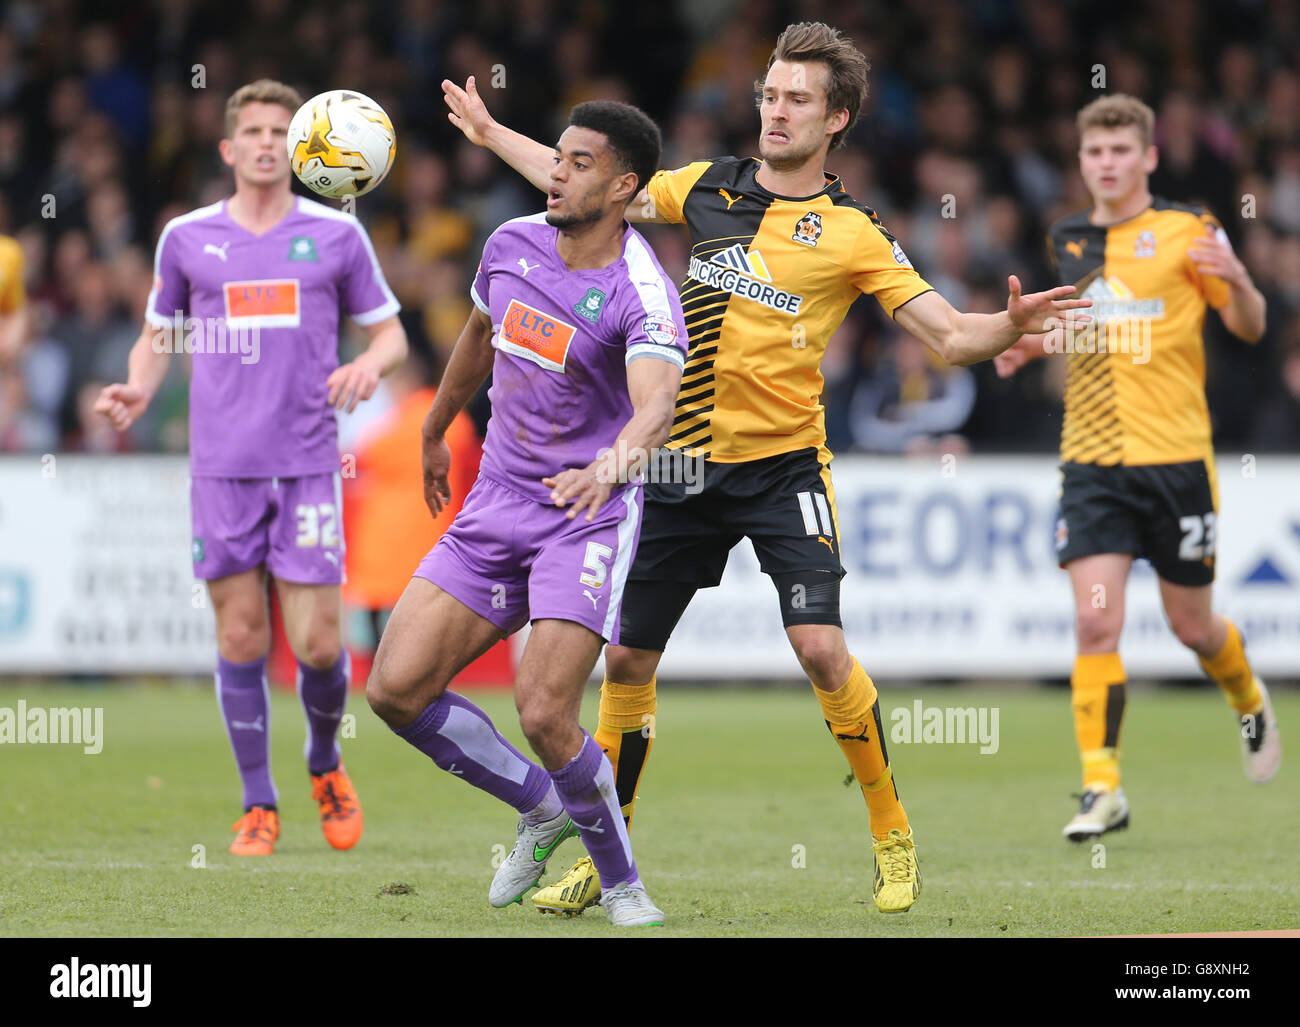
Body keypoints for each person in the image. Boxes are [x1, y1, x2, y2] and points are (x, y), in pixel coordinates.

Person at [443, 20, 1089, 914]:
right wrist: (492, 136)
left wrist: (1007, 328)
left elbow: (948, 336)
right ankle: (604, 854)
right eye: (769, 94)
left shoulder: (856, 232)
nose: (774, 110)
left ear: (839, 119)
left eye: (796, 99)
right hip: (674, 467)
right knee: (627, 660)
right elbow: (590, 185)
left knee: (821, 649)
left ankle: (891, 830)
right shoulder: (705, 186)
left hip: (784, 468)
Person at [364, 101, 687, 927]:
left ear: (623, 187)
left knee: (544, 710)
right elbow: (480, 334)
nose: (557, 171)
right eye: (558, 156)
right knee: (394, 690)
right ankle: (541, 807)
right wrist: (437, 426)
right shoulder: (510, 244)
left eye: (580, 163)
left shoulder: (640, 290)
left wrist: (610, 466)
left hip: (584, 514)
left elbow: (657, 409)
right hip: (497, 499)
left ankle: (621, 884)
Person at [95, 79, 408, 856]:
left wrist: (370, 364)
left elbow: (392, 334)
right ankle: (257, 803)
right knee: (240, 635)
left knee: (320, 647)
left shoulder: (337, 237)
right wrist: (139, 384)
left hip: (305, 466)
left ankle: (324, 762)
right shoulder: (187, 239)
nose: (268, 142)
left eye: (280, 131)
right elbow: (157, 333)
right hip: (223, 470)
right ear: (231, 149)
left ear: (298, 149)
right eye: (255, 132)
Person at [995, 94, 1279, 840]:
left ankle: (1248, 698)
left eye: (1122, 151)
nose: (1108, 163)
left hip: (1178, 461)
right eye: (1095, 152)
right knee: (1096, 623)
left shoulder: (1191, 231)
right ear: (1082, 160)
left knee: (1194, 628)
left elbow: (1248, 327)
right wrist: (1029, 342)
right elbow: (1088, 329)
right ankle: (1102, 787)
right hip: (1091, 465)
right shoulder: (1070, 238)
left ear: (1148, 157)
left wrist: (1244, 282)